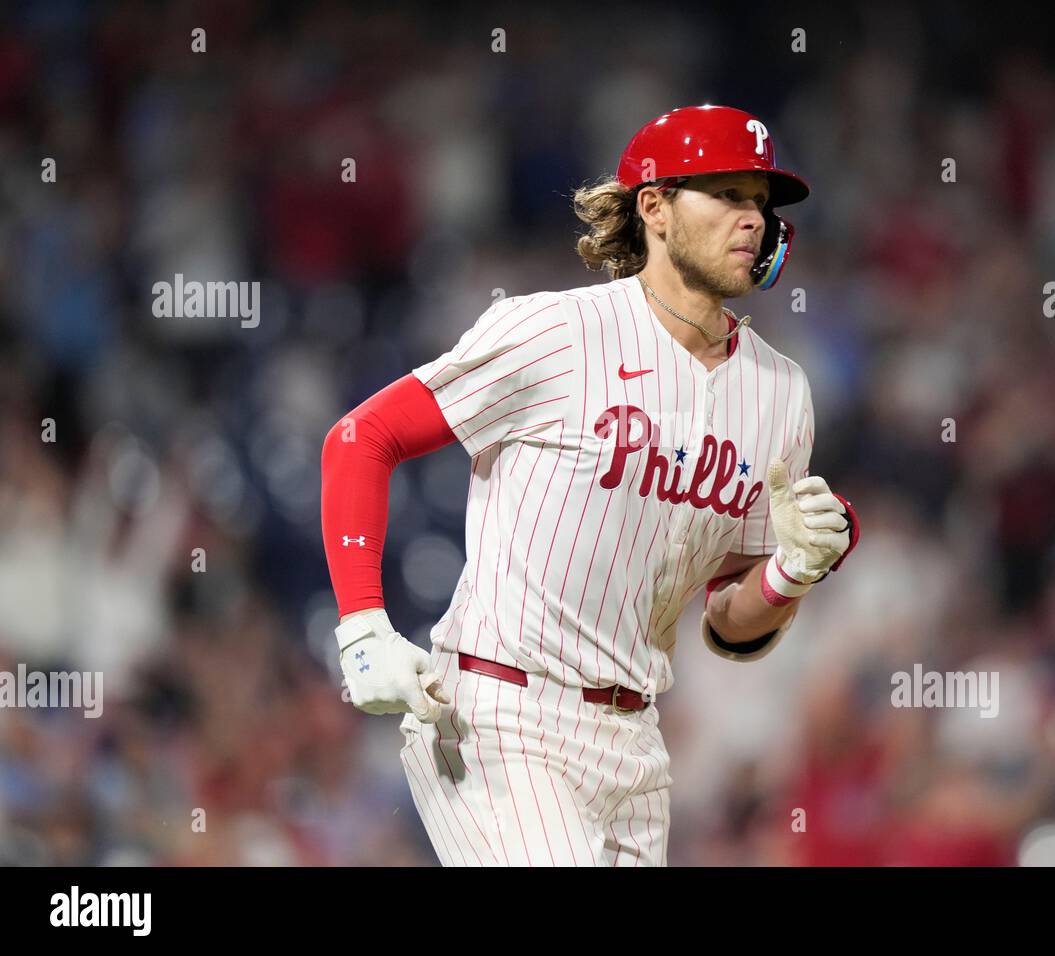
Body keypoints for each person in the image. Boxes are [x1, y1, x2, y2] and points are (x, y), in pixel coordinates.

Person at [320, 104, 859, 866]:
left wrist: (791, 572)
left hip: (636, 745)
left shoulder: (781, 392)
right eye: (728, 194)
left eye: (760, 202)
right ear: (655, 208)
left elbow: (728, 629)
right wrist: (363, 628)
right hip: (501, 713)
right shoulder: (555, 331)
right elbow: (361, 437)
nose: (753, 219)